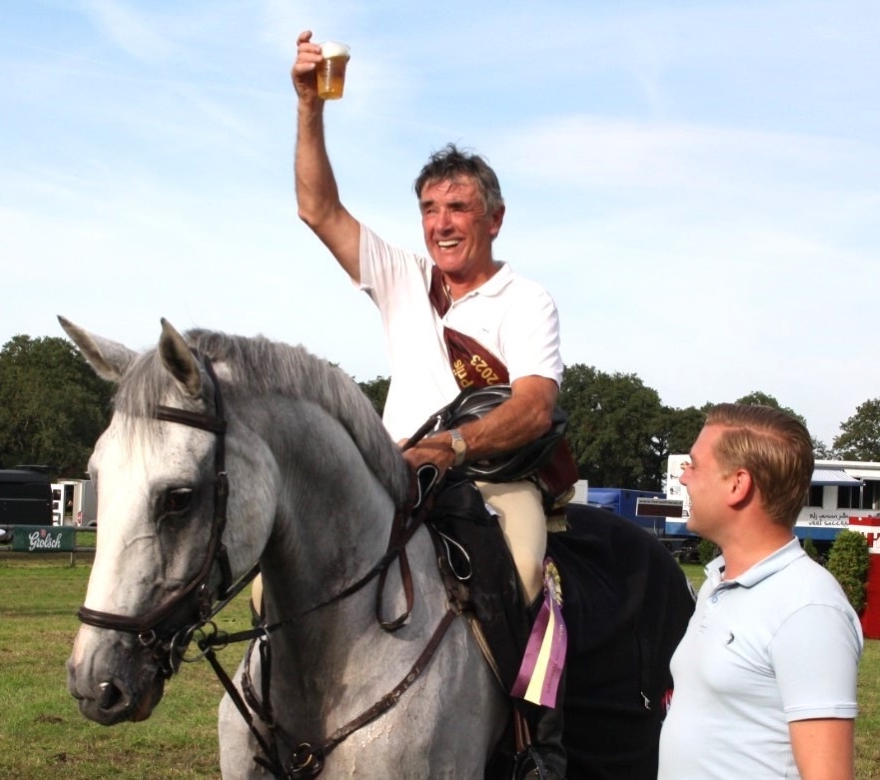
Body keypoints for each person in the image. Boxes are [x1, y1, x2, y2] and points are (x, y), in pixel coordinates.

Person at [291, 31, 570, 779]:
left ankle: (528, 743)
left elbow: (537, 407)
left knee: (521, 568)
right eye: (429, 208)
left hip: (489, 487)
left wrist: (451, 448)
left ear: (493, 219)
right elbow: (318, 209)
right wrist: (307, 107)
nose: (441, 222)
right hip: (392, 481)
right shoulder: (402, 277)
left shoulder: (525, 297)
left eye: (458, 207)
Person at [658, 404, 863, 780]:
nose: (684, 478)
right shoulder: (717, 583)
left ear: (738, 485)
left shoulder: (808, 609)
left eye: (695, 465)